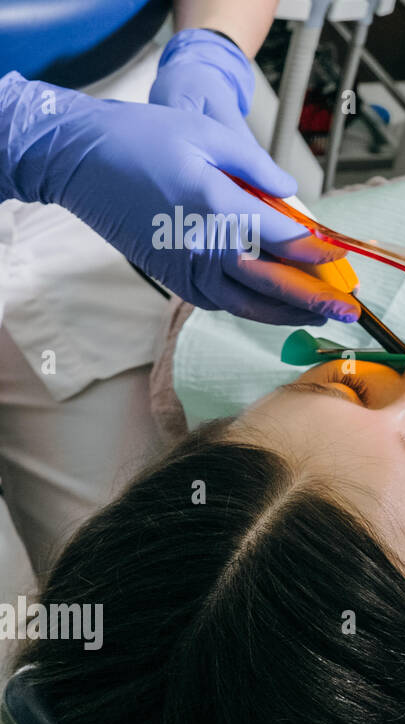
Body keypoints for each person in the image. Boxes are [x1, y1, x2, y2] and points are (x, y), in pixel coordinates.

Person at [0, 1, 359, 593]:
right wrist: (33, 134)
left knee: (126, 586)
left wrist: (213, 49)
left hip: (136, 111)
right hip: (81, 137)